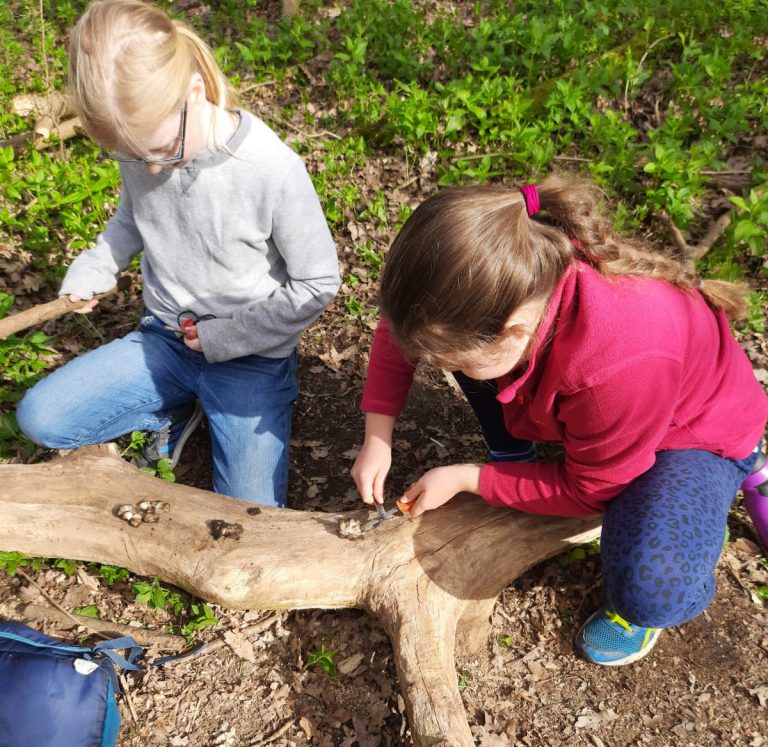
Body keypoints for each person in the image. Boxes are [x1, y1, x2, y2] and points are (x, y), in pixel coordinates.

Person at [351, 177, 768, 666]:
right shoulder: (506, 276)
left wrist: (472, 479)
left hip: (694, 433)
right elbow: (406, 328)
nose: (438, 367)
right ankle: (516, 451)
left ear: (514, 333)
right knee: (462, 353)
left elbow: (592, 489)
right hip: (612, 405)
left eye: (449, 362)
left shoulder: (616, 366)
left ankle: (730, 485)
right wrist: (377, 435)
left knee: (653, 583)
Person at [17, 0, 340, 507]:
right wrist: (99, 264)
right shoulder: (144, 145)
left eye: (163, 150)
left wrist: (224, 337)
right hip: (164, 341)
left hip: (250, 356)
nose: (150, 168)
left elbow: (317, 284)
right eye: (133, 155)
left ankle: (214, 405)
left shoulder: (270, 168)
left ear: (194, 92)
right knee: (42, 418)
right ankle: (177, 409)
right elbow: (133, 219)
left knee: (250, 514)